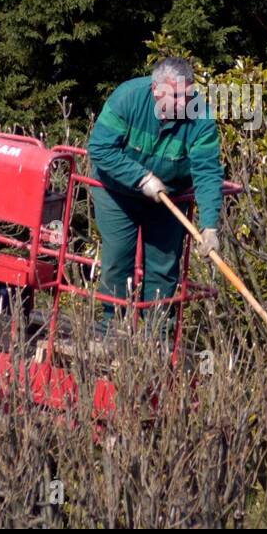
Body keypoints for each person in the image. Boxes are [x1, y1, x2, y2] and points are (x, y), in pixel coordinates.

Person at [86, 56, 225, 333]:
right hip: (116, 191)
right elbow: (100, 149)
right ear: (155, 91)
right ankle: (112, 329)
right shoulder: (127, 98)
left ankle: (156, 338)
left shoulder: (201, 116)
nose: (184, 104)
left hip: (170, 197)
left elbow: (208, 173)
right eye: (176, 97)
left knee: (164, 268)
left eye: (188, 95)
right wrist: (141, 178)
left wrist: (209, 226)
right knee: (118, 258)